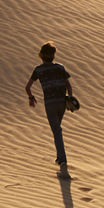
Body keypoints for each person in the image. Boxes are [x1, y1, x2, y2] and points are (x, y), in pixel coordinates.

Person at [24, 42, 81, 171]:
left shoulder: (38, 70)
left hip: (50, 104)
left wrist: (31, 98)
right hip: (62, 103)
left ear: (41, 56)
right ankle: (59, 158)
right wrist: (70, 98)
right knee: (57, 130)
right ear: (53, 56)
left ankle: (63, 161)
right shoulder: (60, 68)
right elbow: (68, 86)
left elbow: (27, 87)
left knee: (57, 131)